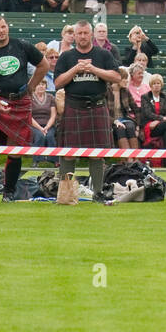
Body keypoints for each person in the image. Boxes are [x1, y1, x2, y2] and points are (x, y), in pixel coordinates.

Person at [0, 15, 49, 201]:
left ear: (7, 27)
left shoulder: (22, 46)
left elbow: (44, 65)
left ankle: (8, 192)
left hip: (20, 100)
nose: (1, 30)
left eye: (3, 27)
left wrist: (31, 86)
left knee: (15, 149)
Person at [54, 19, 122, 202]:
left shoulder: (103, 55)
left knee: (97, 155)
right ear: (74, 35)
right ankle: (67, 194)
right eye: (79, 33)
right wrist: (75, 69)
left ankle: (98, 193)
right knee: (68, 154)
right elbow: (58, 82)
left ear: (91, 34)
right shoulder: (66, 57)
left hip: (97, 107)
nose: (83, 36)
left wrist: (93, 68)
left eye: (86, 33)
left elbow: (116, 77)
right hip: (73, 107)